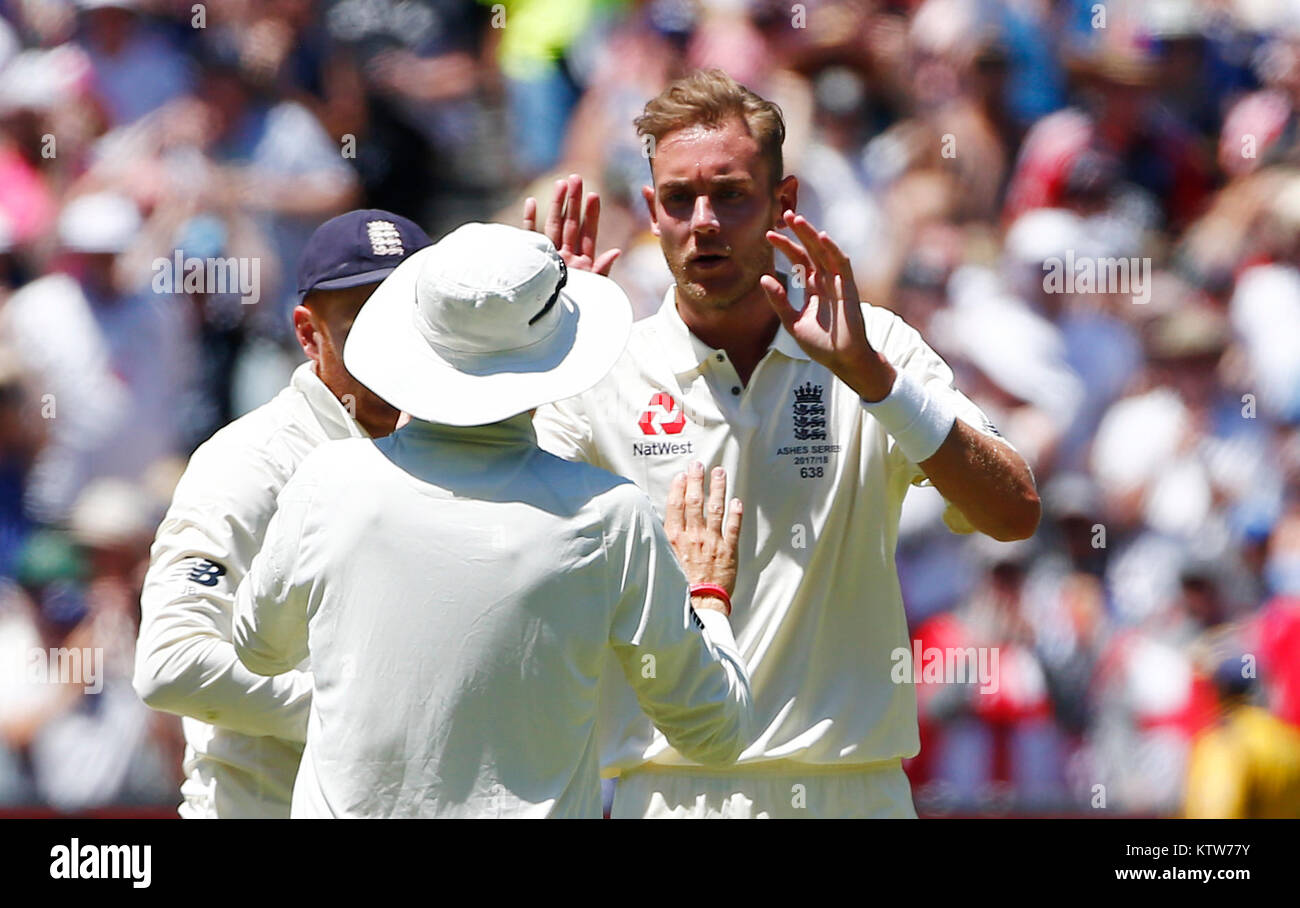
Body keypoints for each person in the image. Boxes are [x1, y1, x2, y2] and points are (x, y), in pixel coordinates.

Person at [530, 69, 1041, 818]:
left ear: (784, 203)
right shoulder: (603, 372)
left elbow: (1014, 512)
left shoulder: (874, 344)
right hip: (669, 792)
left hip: (853, 788)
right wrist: (543, 358)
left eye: (731, 193)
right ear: (651, 213)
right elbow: (512, 548)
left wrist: (876, 384)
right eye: (679, 199)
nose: (703, 220)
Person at [231, 223, 754, 818]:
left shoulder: (327, 481)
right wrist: (707, 595)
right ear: (552, 363)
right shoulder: (610, 515)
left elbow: (258, 648)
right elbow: (715, 732)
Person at [133, 209, 431, 818]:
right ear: (306, 331)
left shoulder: (455, 445)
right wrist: (361, 716)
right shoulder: (251, 462)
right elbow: (171, 662)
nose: (393, 347)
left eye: (411, 321)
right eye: (361, 325)